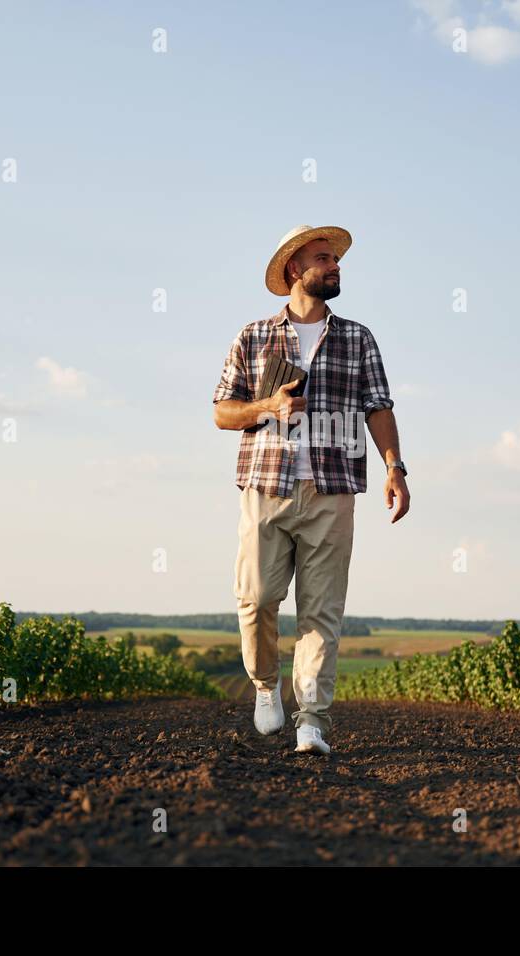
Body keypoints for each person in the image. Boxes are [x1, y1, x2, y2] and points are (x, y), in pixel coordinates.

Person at [212, 224, 410, 756]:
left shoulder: (358, 338)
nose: (336, 266)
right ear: (295, 270)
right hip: (265, 485)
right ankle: (263, 685)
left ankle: (312, 721)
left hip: (333, 488)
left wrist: (395, 467)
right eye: (325, 258)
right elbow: (221, 412)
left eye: (337, 260)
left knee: (322, 611)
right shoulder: (251, 337)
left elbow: (379, 406)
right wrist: (266, 407)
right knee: (256, 600)